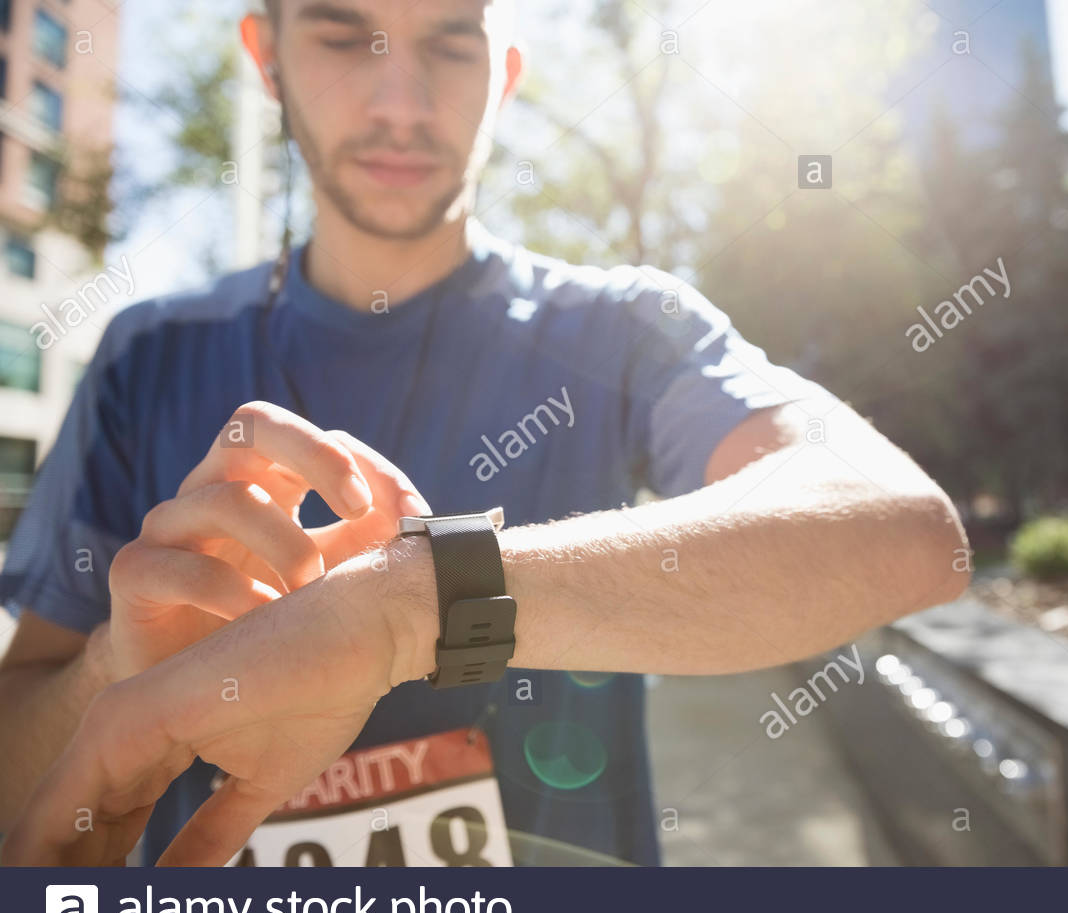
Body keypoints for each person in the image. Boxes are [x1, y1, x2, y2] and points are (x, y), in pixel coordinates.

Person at [0, 0, 969, 867]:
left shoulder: (620, 328)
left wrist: (404, 609)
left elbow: (900, 533)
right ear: (268, 57)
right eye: (342, 33)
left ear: (504, 73)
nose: (400, 98)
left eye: (452, 43)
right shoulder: (148, 355)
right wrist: (114, 672)